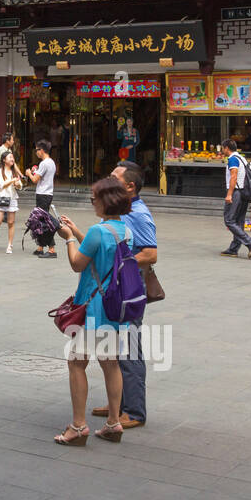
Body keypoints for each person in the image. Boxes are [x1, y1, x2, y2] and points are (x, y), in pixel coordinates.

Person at [52, 177, 133, 446]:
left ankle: (77, 426)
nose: (92, 202)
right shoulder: (124, 230)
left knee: (77, 363)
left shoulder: (99, 231)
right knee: (111, 363)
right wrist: (76, 230)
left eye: (93, 198)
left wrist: (67, 239)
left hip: (93, 307)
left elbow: (78, 263)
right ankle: (113, 422)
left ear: (105, 201)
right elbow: (100, 252)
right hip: (115, 306)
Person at [99, 161, 156, 430]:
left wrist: (119, 261)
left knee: (129, 347)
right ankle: (117, 404)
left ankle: (134, 411)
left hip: (129, 289)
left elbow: (150, 253)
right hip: (115, 288)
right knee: (115, 345)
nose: (108, 181)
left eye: (114, 177)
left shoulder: (139, 213)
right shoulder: (122, 209)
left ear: (129, 186)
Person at [220, 139, 251, 259]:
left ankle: (250, 242)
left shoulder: (232, 159)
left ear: (226, 148)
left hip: (236, 192)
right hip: (244, 192)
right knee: (239, 221)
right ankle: (233, 249)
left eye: (223, 148)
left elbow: (234, 176)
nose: (222, 150)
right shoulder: (241, 157)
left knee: (229, 220)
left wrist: (229, 194)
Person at [0, 149, 24, 254]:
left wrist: (17, 184)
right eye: (10, 157)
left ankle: (10, 245)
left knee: (11, 223)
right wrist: (12, 181)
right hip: (2, 199)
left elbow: (20, 186)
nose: (12, 159)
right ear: (4, 160)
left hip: (12, 199)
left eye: (12, 157)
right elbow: (1, 185)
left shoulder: (14, 172)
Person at [26, 140, 57, 258]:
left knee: (44, 222)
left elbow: (34, 180)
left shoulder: (44, 163)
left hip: (43, 195)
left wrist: (29, 173)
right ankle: (40, 247)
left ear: (41, 150)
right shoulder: (51, 162)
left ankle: (52, 249)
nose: (36, 153)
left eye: (37, 150)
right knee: (41, 221)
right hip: (47, 194)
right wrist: (35, 172)